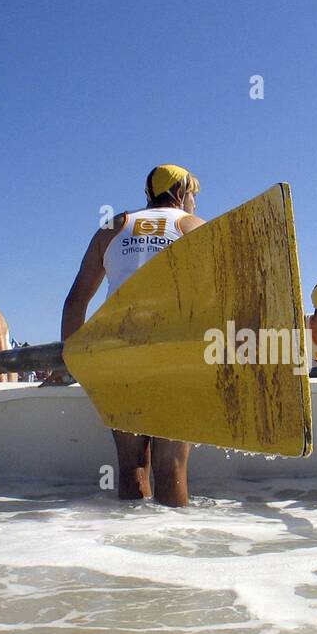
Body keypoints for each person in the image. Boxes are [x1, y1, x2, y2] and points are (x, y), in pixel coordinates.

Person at [58, 164, 205, 507]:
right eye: (194, 195)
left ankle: (127, 551)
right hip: (173, 351)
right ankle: (173, 553)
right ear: (181, 194)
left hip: (117, 352)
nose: (195, 202)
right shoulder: (194, 226)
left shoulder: (113, 226)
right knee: (171, 467)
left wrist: (68, 364)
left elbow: (76, 299)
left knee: (133, 466)